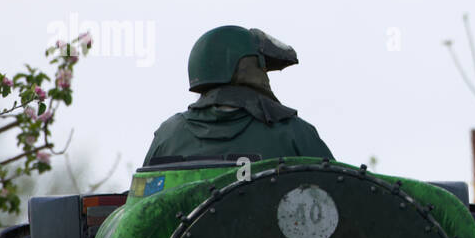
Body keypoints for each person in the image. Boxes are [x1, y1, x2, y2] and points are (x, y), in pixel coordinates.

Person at [142, 25, 333, 166]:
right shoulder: (292, 132)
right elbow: (341, 193)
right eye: (263, 68)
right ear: (252, 67)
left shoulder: (169, 135)